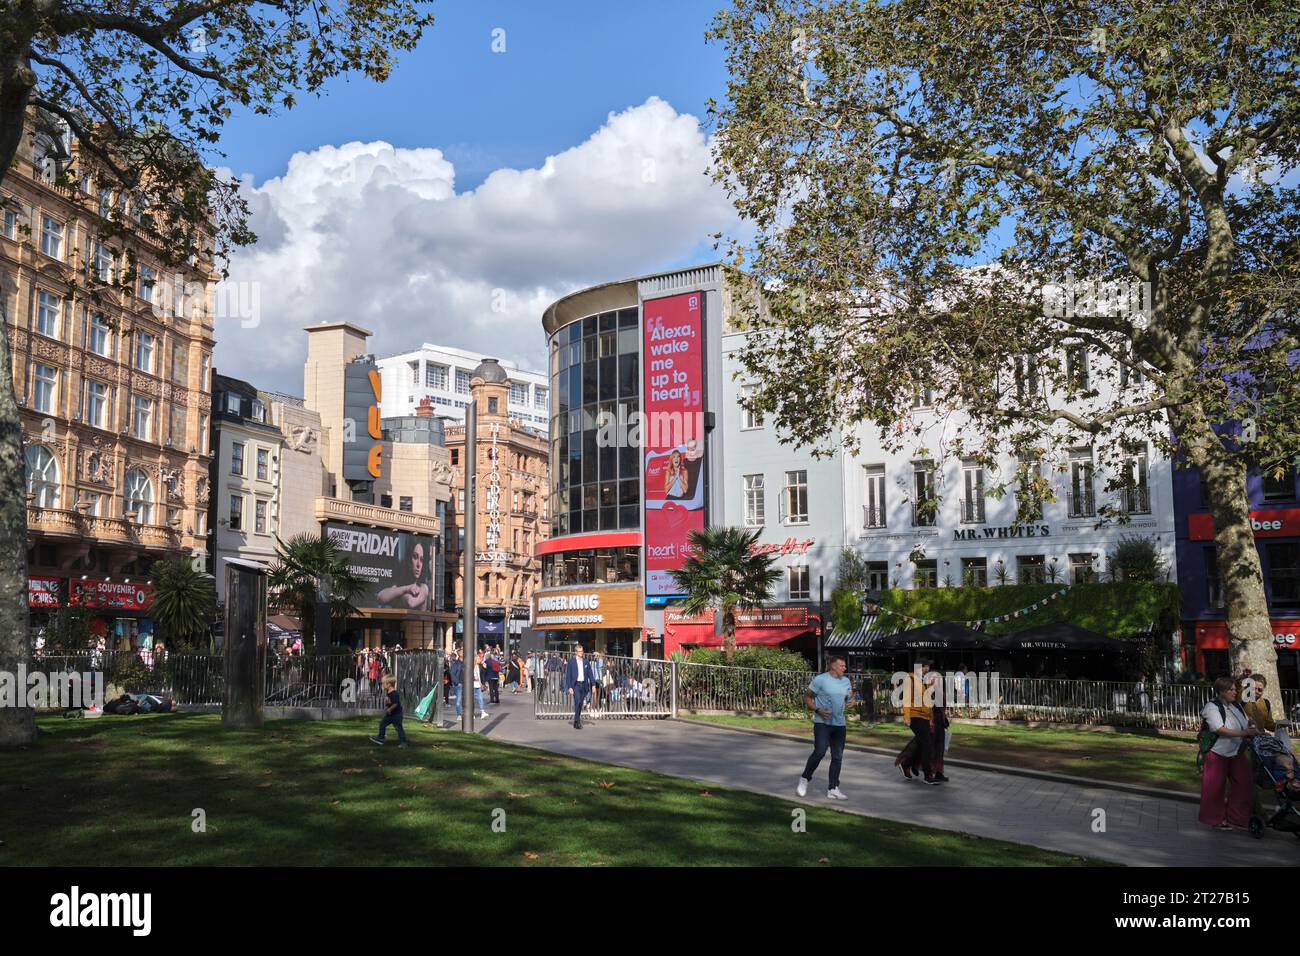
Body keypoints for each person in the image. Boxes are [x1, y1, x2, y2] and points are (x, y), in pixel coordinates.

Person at [1198, 676, 1257, 830]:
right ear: (1222, 691)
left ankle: (1237, 817)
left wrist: (1252, 726)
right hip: (1217, 752)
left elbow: (1246, 721)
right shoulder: (1211, 707)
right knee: (1214, 787)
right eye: (1231, 689)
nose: (1234, 691)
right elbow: (1219, 729)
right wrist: (1244, 733)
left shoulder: (1236, 705)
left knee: (1244, 783)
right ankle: (1215, 819)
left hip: (1236, 752)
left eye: (1234, 689)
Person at [796, 655, 856, 800]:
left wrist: (852, 702)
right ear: (833, 666)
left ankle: (833, 788)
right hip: (822, 723)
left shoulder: (846, 681)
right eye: (842, 665)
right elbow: (807, 698)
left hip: (840, 724)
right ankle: (804, 778)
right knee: (820, 751)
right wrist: (817, 710)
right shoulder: (820, 680)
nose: (845, 668)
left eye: (844, 666)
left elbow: (850, 697)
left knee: (837, 757)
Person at [898, 659, 941, 785]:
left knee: (922, 743)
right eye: (924, 667)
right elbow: (906, 699)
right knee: (927, 743)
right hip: (915, 715)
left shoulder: (925, 681)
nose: (927, 669)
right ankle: (928, 774)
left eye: (928, 667)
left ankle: (906, 764)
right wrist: (906, 717)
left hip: (925, 717)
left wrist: (931, 718)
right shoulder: (910, 679)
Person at [376, 541, 432, 611]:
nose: (418, 565)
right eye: (415, 557)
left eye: (421, 560)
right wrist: (407, 588)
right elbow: (380, 597)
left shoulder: (423, 588)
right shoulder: (401, 586)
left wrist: (397, 598)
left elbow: (410, 602)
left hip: (417, 622)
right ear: (409, 559)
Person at [370, 674, 408, 747]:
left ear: (389, 684)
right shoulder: (389, 692)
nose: (382, 685)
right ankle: (381, 738)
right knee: (382, 724)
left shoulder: (394, 693)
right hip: (390, 715)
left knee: (398, 728)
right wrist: (387, 708)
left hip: (396, 715)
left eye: (383, 684)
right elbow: (389, 703)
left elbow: (395, 704)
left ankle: (404, 743)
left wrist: (390, 709)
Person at [565, 645, 593, 729]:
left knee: (580, 703)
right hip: (576, 685)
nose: (582, 653)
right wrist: (570, 687)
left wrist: (593, 684)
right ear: (576, 652)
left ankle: (576, 720)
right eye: (580, 651)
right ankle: (577, 721)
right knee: (577, 702)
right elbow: (568, 675)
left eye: (582, 651)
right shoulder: (571, 662)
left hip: (584, 685)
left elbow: (590, 674)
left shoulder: (586, 662)